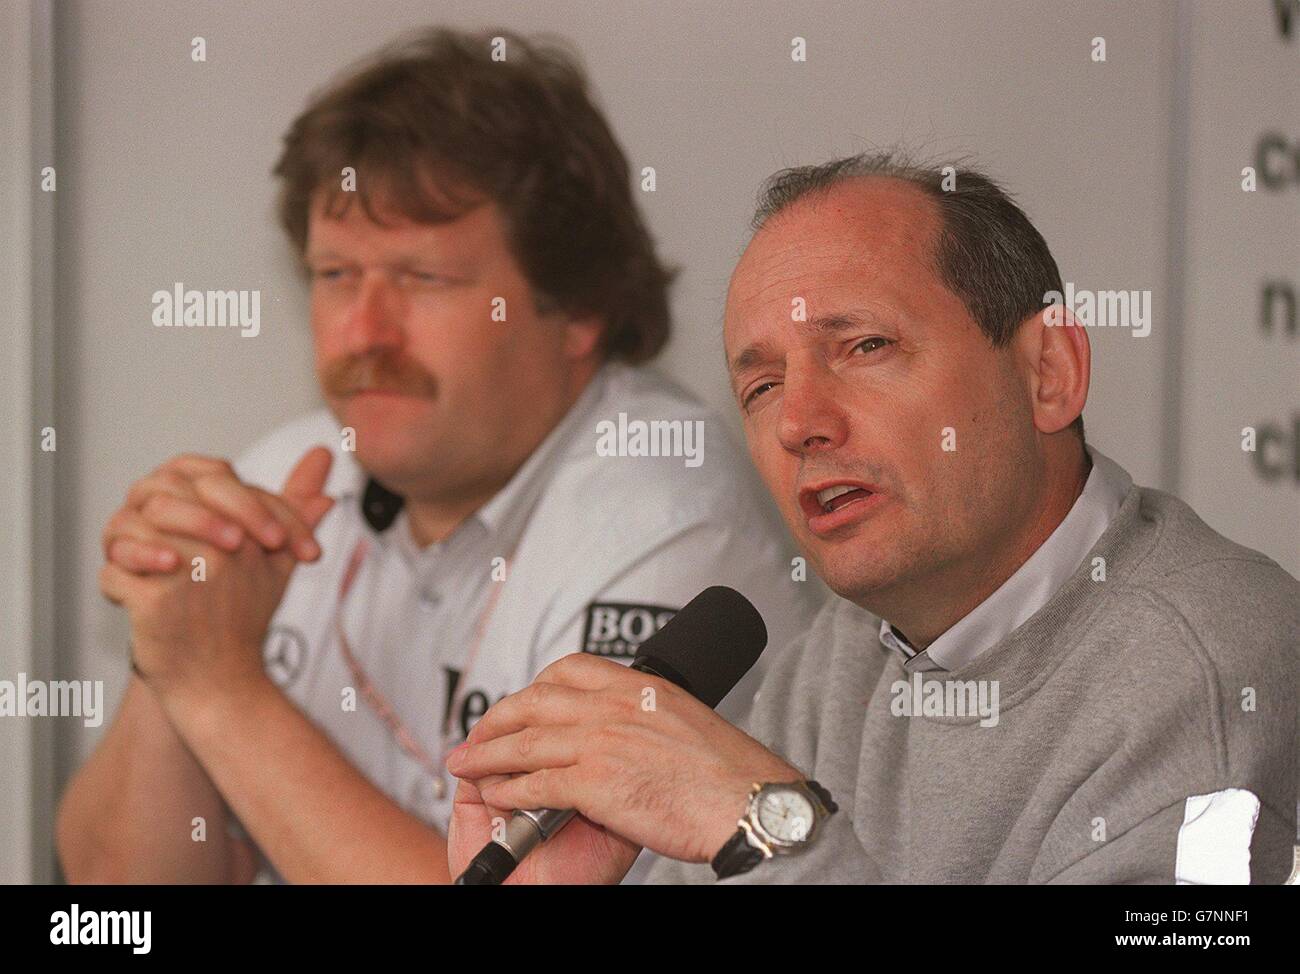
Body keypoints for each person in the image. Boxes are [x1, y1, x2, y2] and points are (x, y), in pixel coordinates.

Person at [56, 27, 818, 885]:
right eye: (336, 275)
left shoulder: (672, 525)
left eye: (424, 280)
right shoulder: (291, 472)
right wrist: (173, 655)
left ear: (576, 309)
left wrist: (223, 691)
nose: (361, 334)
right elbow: (116, 897)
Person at [445, 151, 1300, 885]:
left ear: (1049, 372)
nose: (798, 423)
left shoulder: (1210, 671)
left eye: (864, 348)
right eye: (762, 385)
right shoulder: (842, 653)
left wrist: (774, 825)